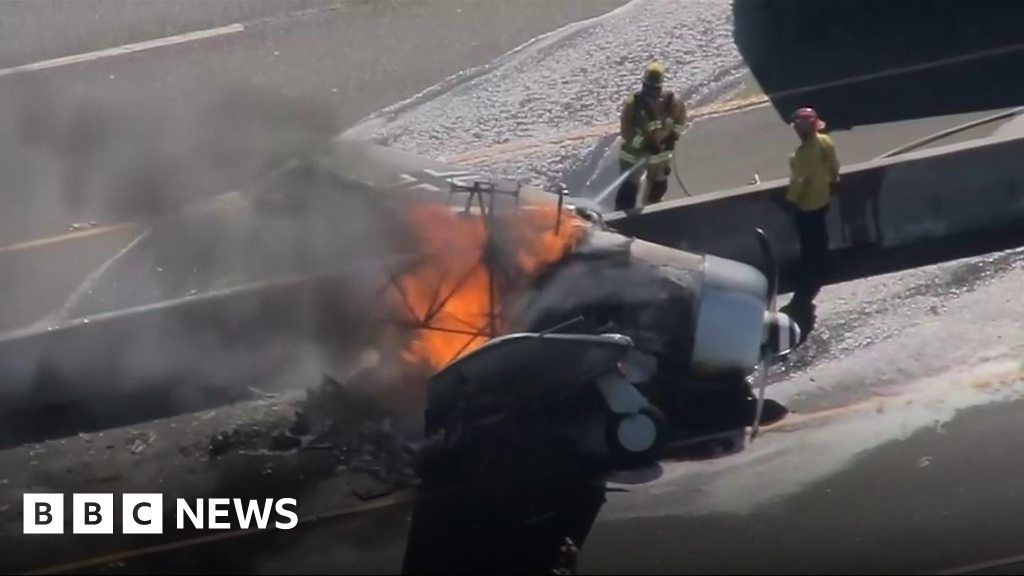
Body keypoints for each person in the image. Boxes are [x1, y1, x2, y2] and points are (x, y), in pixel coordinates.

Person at [785, 107, 840, 311]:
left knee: (808, 242)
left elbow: (798, 183)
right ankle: (825, 266)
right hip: (823, 199)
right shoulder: (826, 143)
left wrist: (791, 201)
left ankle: (810, 274)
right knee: (821, 235)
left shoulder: (802, 156)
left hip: (807, 206)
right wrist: (834, 181)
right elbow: (834, 166)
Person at [615, 60, 687, 211]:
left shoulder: (674, 102)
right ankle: (624, 216)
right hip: (634, 156)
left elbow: (680, 119)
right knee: (630, 187)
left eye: (654, 88)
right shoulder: (633, 103)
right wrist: (642, 145)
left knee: (657, 188)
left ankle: (651, 214)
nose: (650, 92)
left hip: (660, 157)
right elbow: (626, 130)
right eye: (647, 87)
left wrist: (672, 137)